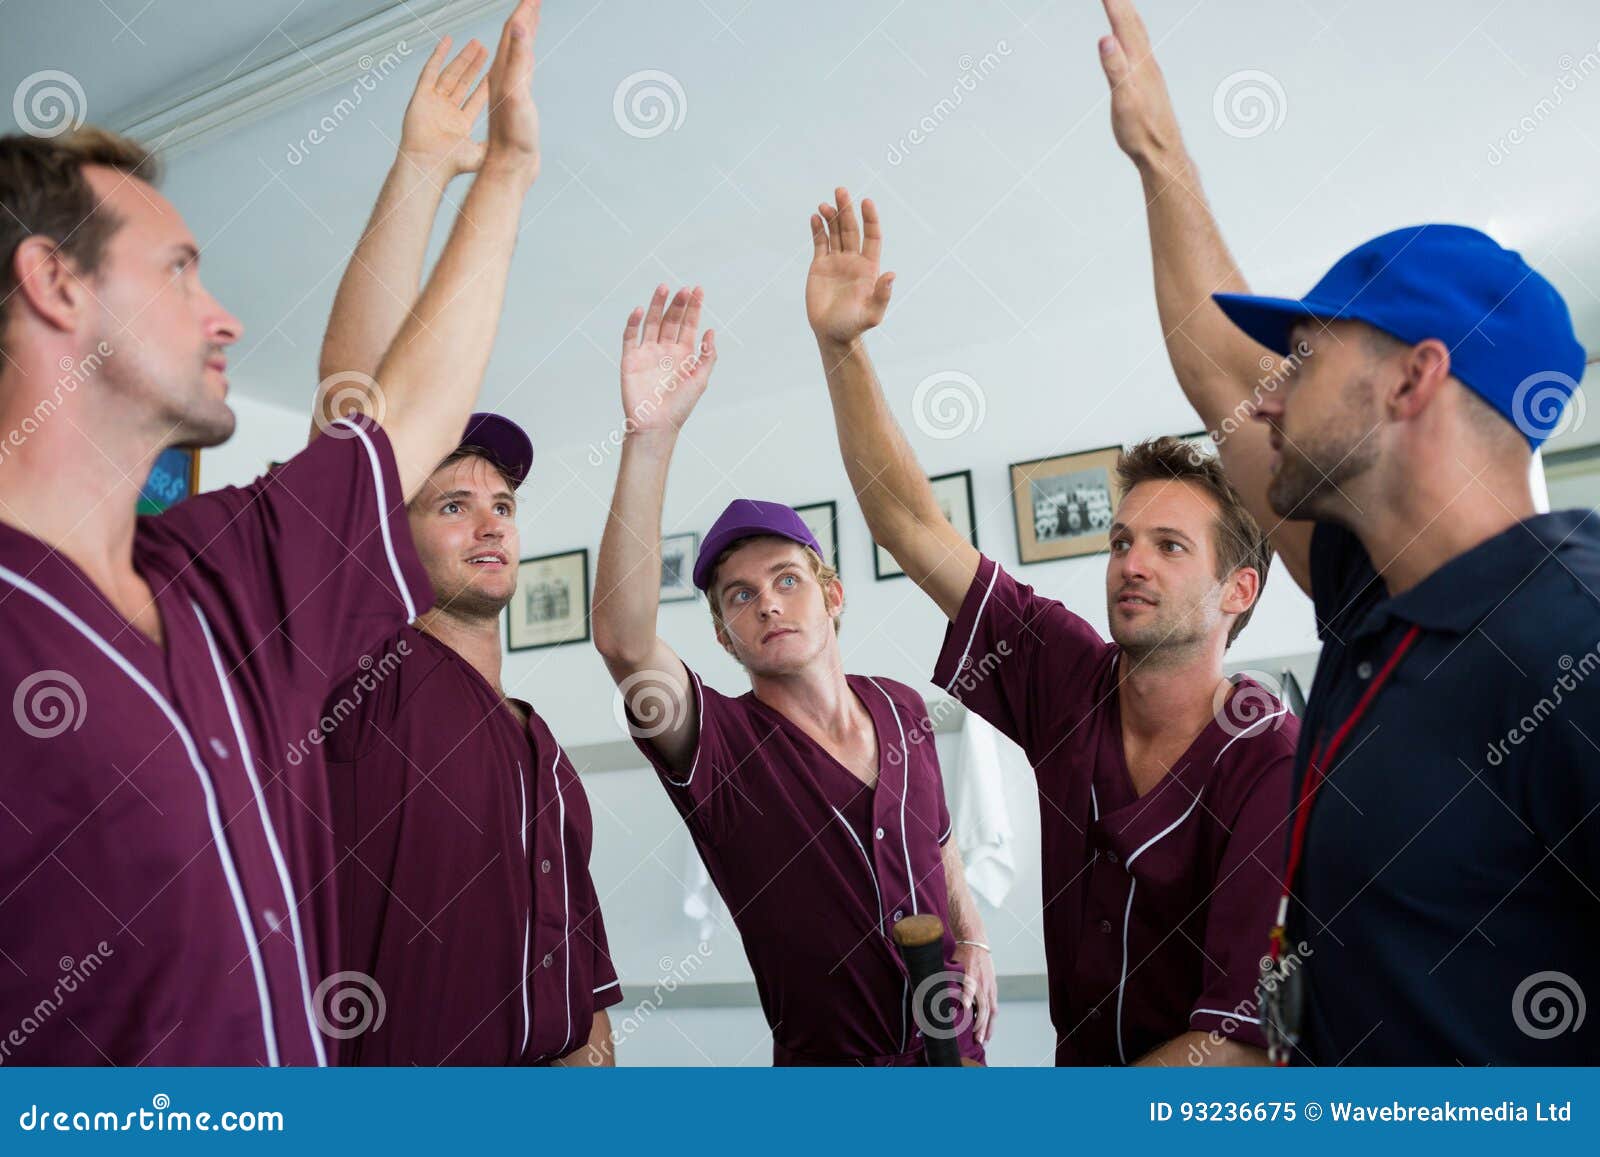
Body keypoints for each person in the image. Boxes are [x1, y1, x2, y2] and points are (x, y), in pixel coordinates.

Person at [0, 0, 544, 1065]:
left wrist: (502, 172)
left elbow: (390, 417)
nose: (226, 318)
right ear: (55, 282)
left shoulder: (220, 579)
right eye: (178, 271)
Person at [1099, 0, 1597, 1063]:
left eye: (1304, 361)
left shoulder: (1572, 645)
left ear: (1414, 377)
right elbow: (1219, 369)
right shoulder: (1382, 598)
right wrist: (1156, 151)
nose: (1268, 400)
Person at [806, 186, 1296, 1066]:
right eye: (1121, 540)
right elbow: (910, 527)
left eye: (1169, 546)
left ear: (1238, 589)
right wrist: (841, 348)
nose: (1130, 562)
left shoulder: (1267, 755)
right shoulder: (1066, 673)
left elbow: (1235, 1042)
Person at [310, 36, 619, 1066]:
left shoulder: (543, 750)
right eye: (452, 502)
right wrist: (433, 174)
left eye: (502, 502)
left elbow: (588, 995)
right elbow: (353, 421)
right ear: (385, 531)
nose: (492, 521)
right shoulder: (365, 677)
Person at [591, 286, 994, 1065]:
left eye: (786, 579)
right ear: (722, 633)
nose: (767, 604)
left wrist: (973, 933)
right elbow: (621, 638)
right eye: (740, 596)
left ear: (832, 595)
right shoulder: (718, 744)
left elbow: (936, 840)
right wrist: (649, 438)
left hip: (960, 1065)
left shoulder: (902, 705)